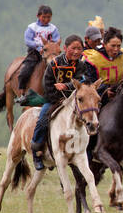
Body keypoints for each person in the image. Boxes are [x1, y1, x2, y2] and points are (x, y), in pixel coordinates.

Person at [29, 35, 98, 170]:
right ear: (65, 48)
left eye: (79, 48)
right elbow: (47, 85)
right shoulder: (54, 64)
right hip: (54, 100)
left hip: (75, 102)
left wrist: (66, 86)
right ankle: (37, 152)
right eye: (73, 48)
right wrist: (58, 99)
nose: (77, 52)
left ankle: (88, 151)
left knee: (91, 118)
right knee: (43, 119)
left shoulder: (82, 66)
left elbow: (83, 81)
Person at [17, 5, 59, 92]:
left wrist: (50, 47)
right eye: (44, 17)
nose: (46, 19)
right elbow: (28, 41)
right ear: (38, 16)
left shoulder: (53, 28)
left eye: (48, 17)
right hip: (34, 53)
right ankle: (22, 92)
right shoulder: (32, 27)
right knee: (24, 72)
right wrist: (38, 47)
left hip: (50, 53)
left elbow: (56, 40)